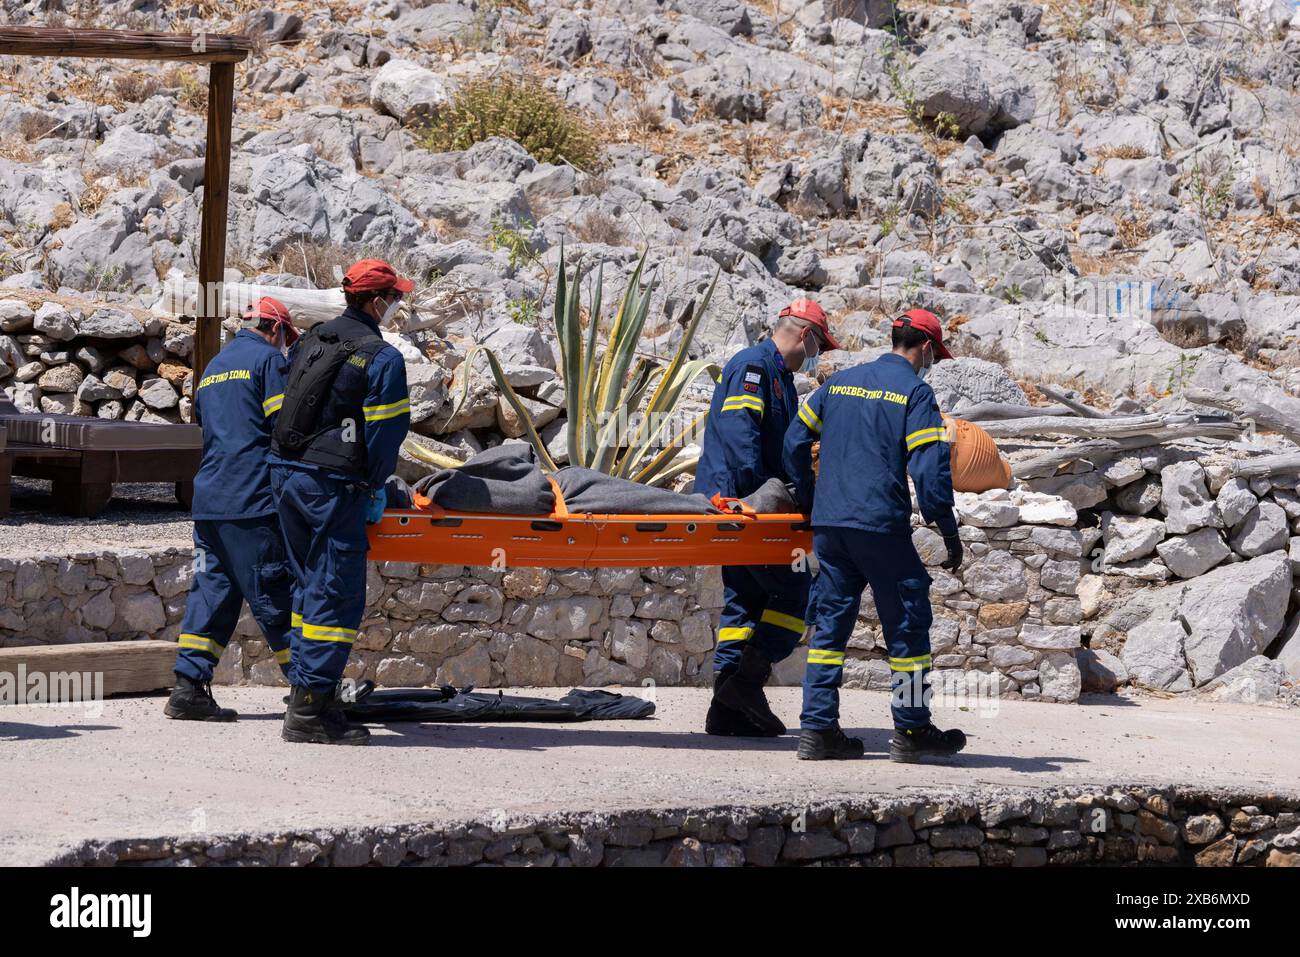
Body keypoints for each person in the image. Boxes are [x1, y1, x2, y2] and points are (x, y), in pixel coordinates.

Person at [783, 308, 967, 762]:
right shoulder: (915, 392)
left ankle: (818, 730)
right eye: (934, 356)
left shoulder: (838, 383)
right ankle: (911, 730)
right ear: (925, 348)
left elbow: (793, 441)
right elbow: (928, 467)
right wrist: (946, 526)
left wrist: (808, 496)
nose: (931, 364)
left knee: (829, 626)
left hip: (830, 527)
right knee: (907, 626)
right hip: (880, 526)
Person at [270, 259, 411, 745]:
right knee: (336, 593)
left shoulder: (312, 338)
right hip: (332, 487)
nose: (396, 306)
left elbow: (282, 401)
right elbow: (386, 433)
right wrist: (373, 485)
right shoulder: (382, 357)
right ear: (376, 302)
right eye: (394, 299)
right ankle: (308, 714)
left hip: (285, 476)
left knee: (308, 589)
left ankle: (313, 697)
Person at [693, 298, 839, 737]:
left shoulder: (778, 375)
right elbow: (741, 436)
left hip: (742, 507)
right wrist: (761, 498)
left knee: (745, 601)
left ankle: (726, 708)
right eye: (818, 346)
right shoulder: (754, 368)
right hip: (745, 507)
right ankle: (745, 684)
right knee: (796, 595)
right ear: (804, 334)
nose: (815, 356)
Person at [165, 296, 298, 721]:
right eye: (285, 338)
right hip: (252, 501)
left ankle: (188, 688)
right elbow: (284, 431)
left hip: (209, 502)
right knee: (273, 592)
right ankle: (311, 691)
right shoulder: (270, 363)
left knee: (212, 591)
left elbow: (211, 429)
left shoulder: (213, 369)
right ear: (275, 329)